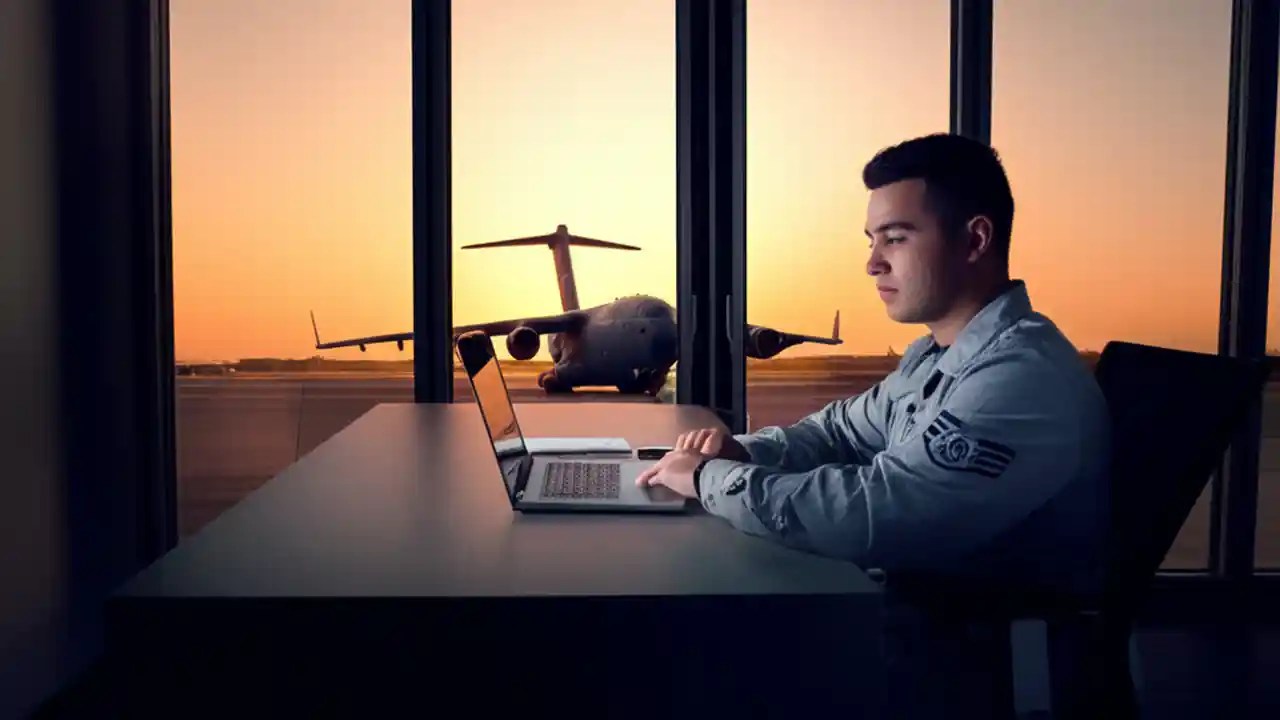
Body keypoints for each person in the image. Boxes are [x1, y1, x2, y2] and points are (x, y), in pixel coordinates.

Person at [636, 132, 1110, 596]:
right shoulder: (934, 357)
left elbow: (877, 514)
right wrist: (741, 453)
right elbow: (837, 433)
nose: (873, 264)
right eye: (872, 242)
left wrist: (705, 478)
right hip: (913, 609)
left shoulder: (1020, 377)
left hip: (969, 636)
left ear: (975, 240)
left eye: (896, 239)